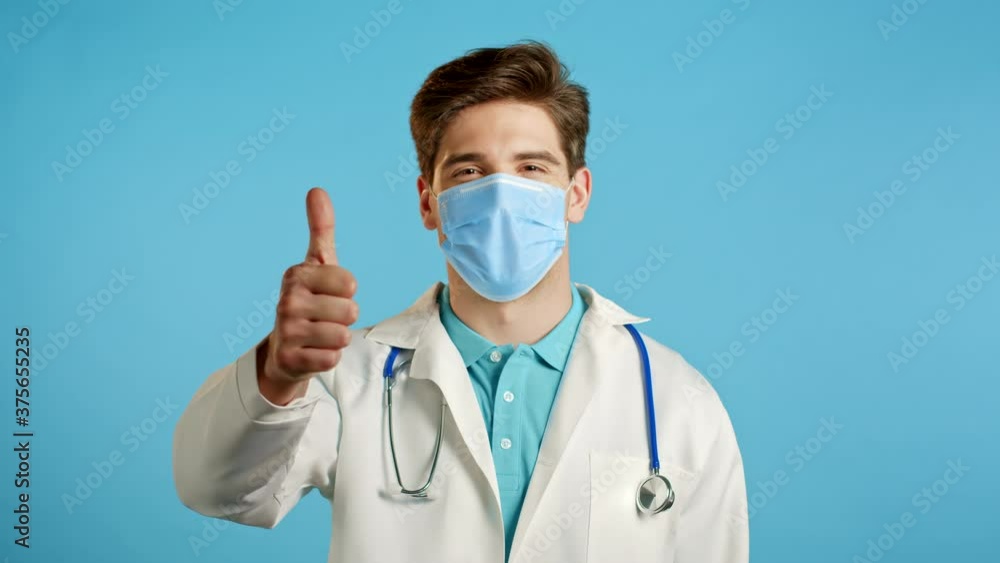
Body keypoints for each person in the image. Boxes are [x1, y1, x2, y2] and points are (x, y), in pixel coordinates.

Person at [172, 40, 749, 563]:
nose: (501, 197)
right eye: (470, 172)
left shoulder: (677, 399)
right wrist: (276, 376)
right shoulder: (351, 378)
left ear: (576, 194)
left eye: (531, 168)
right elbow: (216, 489)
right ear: (429, 203)